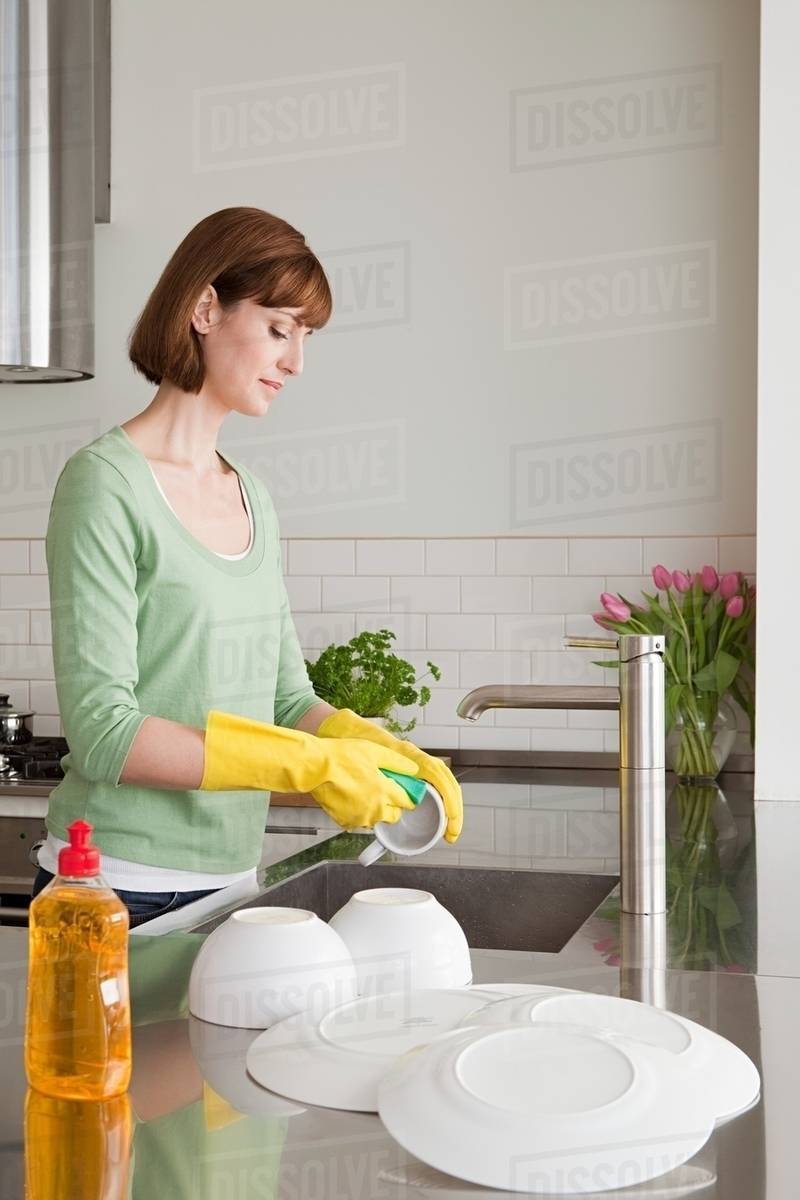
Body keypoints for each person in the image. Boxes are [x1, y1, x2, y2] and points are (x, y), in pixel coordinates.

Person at [31, 206, 463, 928]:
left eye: (307, 337)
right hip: (116, 889)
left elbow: (286, 699)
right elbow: (105, 731)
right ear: (205, 309)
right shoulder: (105, 484)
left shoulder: (251, 496)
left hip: (234, 885)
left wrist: (362, 740)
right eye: (279, 329)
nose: (296, 362)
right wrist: (309, 767)